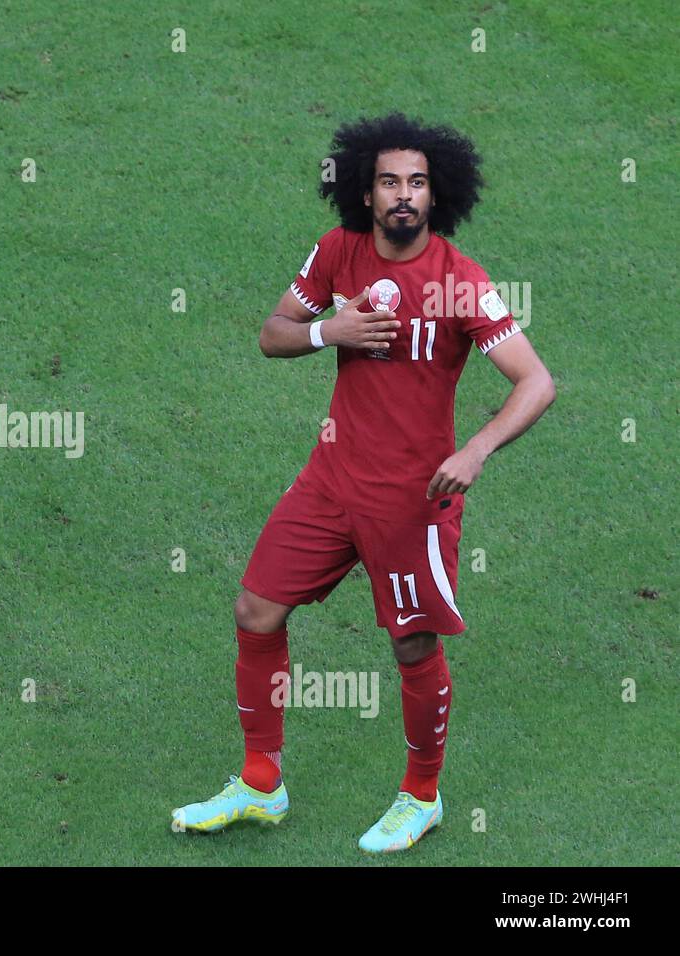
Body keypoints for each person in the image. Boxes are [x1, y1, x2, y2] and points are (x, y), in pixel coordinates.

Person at [173, 113, 555, 852]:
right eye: (389, 182)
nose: (403, 195)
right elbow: (272, 333)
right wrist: (329, 332)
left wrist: (475, 450)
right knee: (256, 609)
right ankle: (260, 784)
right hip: (332, 480)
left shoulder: (458, 281)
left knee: (412, 647)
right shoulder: (337, 253)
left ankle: (421, 796)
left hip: (413, 500)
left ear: (436, 194)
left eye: (416, 182)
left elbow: (535, 382)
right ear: (364, 190)